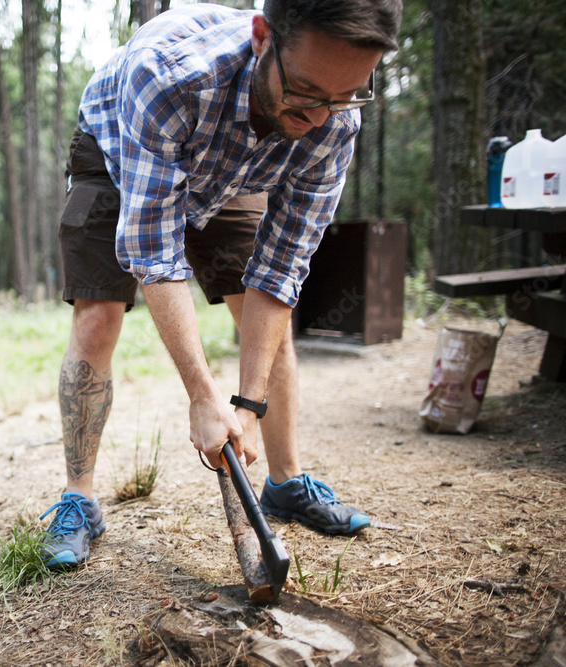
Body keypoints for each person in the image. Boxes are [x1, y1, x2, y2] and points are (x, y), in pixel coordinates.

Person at [39, 0, 402, 568]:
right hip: (120, 149)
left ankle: (284, 482)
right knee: (98, 315)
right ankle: (78, 499)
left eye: (345, 95)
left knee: (266, 325)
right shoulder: (168, 74)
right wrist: (204, 399)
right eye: (307, 90)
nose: (322, 116)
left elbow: (281, 270)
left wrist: (246, 407)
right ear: (262, 37)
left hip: (238, 167)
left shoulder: (332, 123)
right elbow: (154, 252)